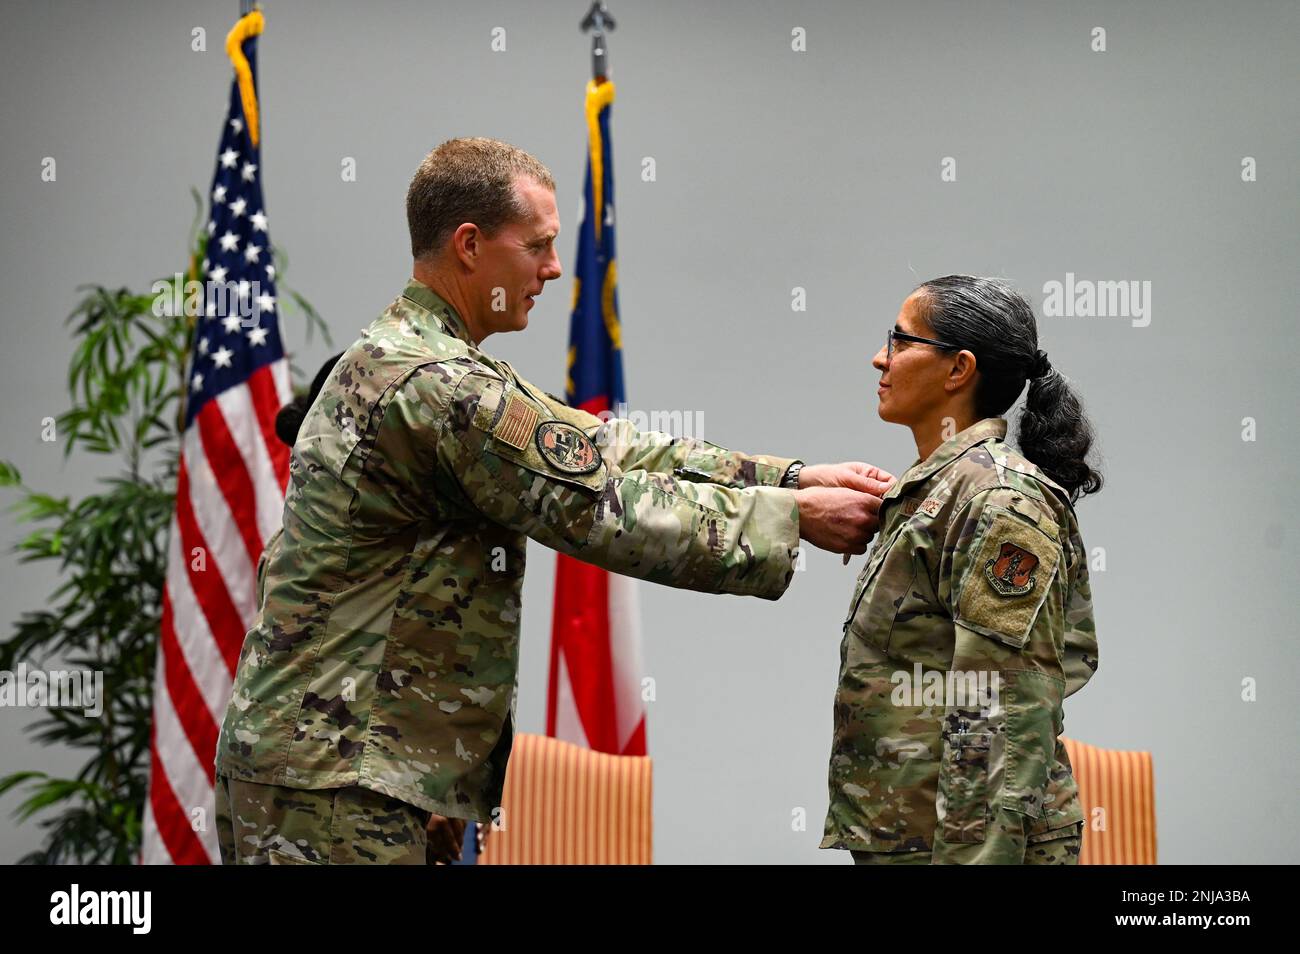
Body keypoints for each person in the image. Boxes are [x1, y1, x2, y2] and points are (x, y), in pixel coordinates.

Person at [213, 137, 895, 865]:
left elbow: (602, 449)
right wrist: (793, 519)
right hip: (336, 779)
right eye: (536, 246)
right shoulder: (440, 389)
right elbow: (602, 507)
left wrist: (786, 478)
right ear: (470, 245)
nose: (554, 268)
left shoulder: (418, 359)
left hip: (347, 767)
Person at [820, 274, 1102, 865]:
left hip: (965, 847)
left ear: (958, 369)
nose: (880, 358)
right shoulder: (941, 490)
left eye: (900, 340)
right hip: (915, 837)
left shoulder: (998, 501)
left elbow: (999, 714)